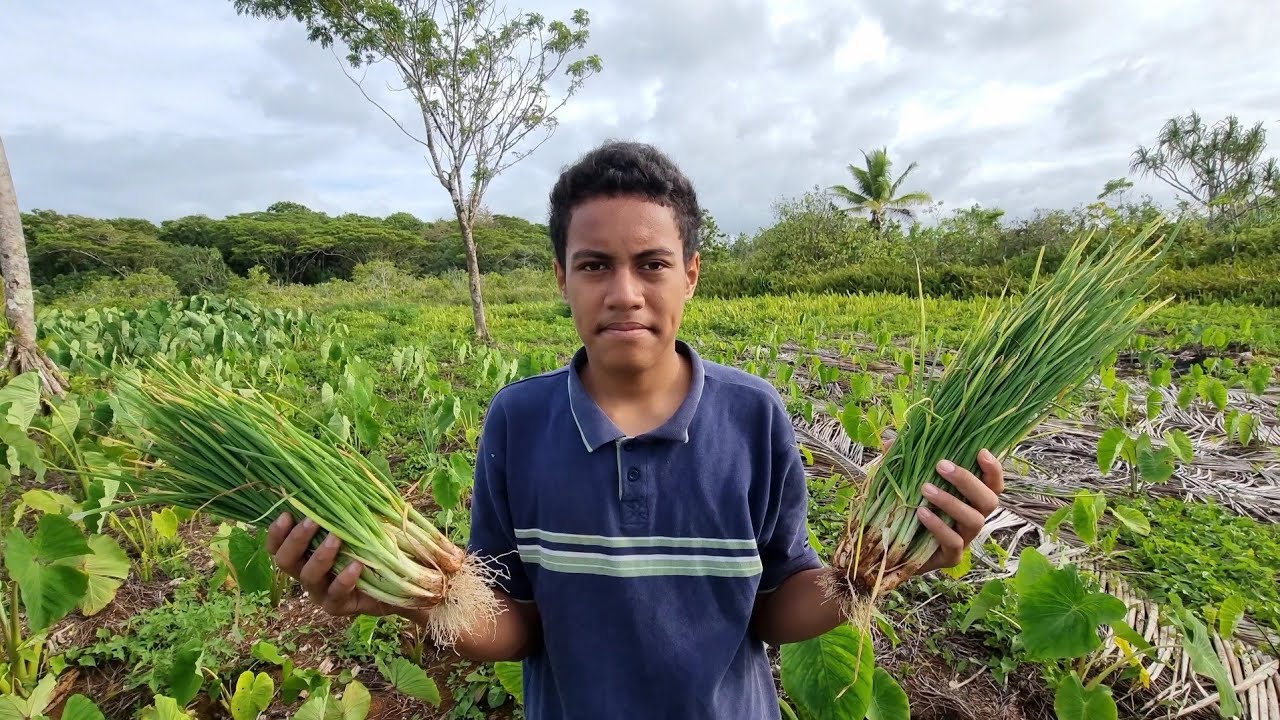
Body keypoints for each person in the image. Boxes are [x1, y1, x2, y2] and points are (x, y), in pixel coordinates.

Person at [265, 140, 1004, 719]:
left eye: (651, 264)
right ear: (560, 277)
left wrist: (895, 563)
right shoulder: (518, 421)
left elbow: (775, 607)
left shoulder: (754, 416)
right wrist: (412, 598)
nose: (624, 294)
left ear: (691, 274)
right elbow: (515, 623)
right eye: (594, 265)